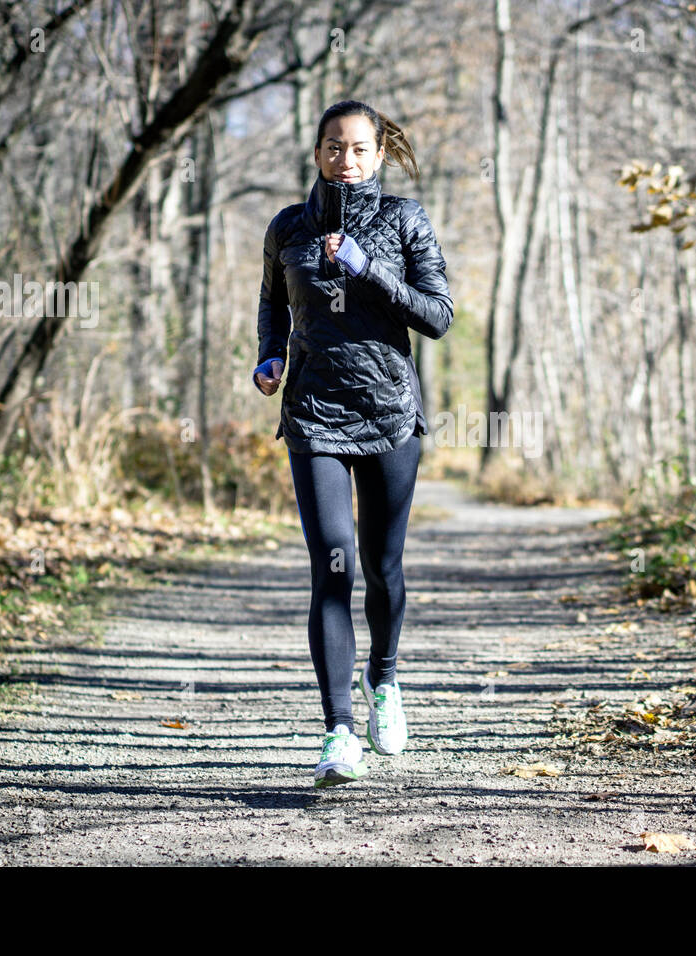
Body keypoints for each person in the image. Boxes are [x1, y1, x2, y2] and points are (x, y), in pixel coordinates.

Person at [252, 100, 453, 788]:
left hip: (391, 415)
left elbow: (438, 316)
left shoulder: (406, 221)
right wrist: (269, 354)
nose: (347, 158)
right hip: (313, 416)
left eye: (361, 148)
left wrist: (371, 269)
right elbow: (273, 301)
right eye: (335, 146)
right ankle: (338, 731)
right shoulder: (288, 228)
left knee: (382, 568)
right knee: (332, 569)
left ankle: (385, 679)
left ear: (379, 155)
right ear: (317, 153)